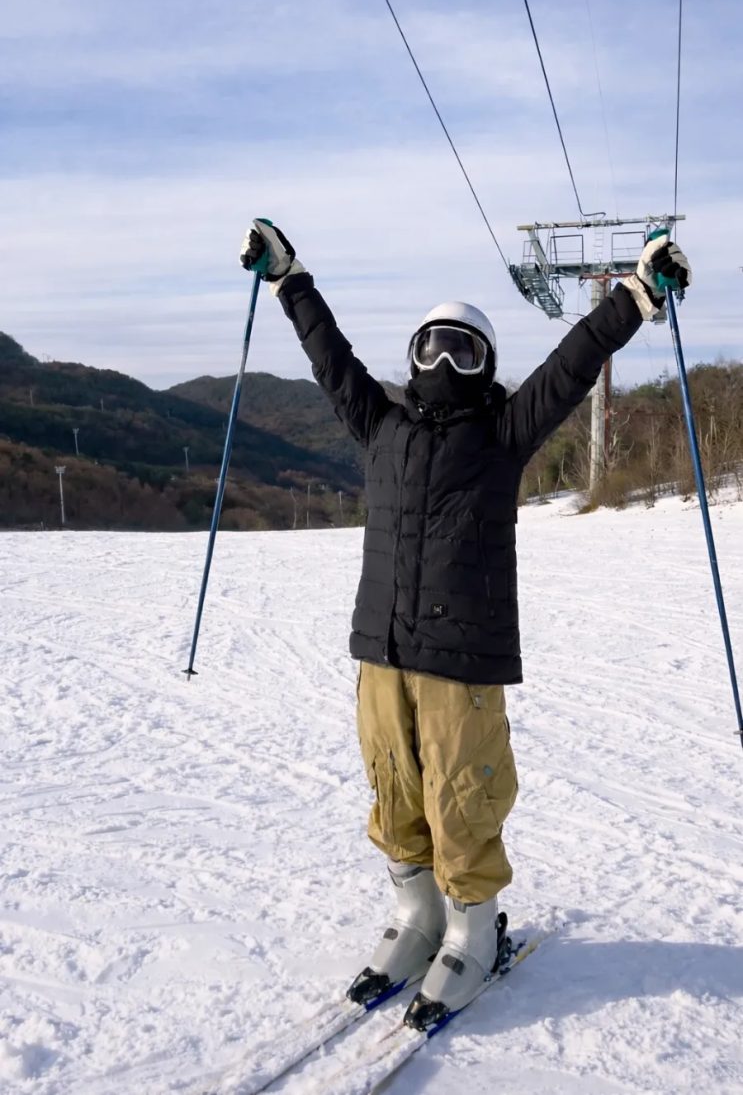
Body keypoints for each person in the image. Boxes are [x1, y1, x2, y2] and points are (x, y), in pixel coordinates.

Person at [240, 220, 692, 1029]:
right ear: (412, 359)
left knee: (460, 797)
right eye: (433, 349)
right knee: (394, 787)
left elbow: (572, 364)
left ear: (484, 369)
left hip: (461, 658)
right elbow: (328, 357)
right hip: (379, 649)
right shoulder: (378, 424)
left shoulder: (501, 435)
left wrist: (635, 294)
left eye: (465, 352)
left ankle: (473, 931)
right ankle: (418, 915)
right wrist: (287, 279)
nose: (445, 364)